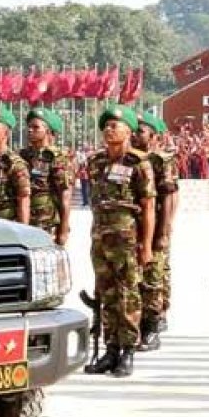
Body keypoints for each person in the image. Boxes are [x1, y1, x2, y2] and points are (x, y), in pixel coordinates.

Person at [84, 106, 155, 378]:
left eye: (115, 125)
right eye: (106, 125)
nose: (108, 130)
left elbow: (148, 207)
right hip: (100, 238)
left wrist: (146, 245)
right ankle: (111, 349)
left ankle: (128, 350)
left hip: (127, 240)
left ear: (128, 130)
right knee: (106, 294)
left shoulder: (139, 163)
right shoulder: (96, 162)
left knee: (128, 294)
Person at [133, 112, 178, 351]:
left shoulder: (160, 160)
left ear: (153, 136)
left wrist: (163, 231)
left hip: (155, 223)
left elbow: (169, 195)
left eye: (140, 131)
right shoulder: (130, 158)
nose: (135, 135)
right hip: (133, 226)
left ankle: (152, 325)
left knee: (153, 276)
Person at [20, 107, 70, 244]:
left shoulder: (57, 157)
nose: (30, 130)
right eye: (29, 127)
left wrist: (63, 231)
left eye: (36, 127)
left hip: (46, 224)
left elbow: (65, 195)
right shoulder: (22, 156)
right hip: (22, 221)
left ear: (48, 131)